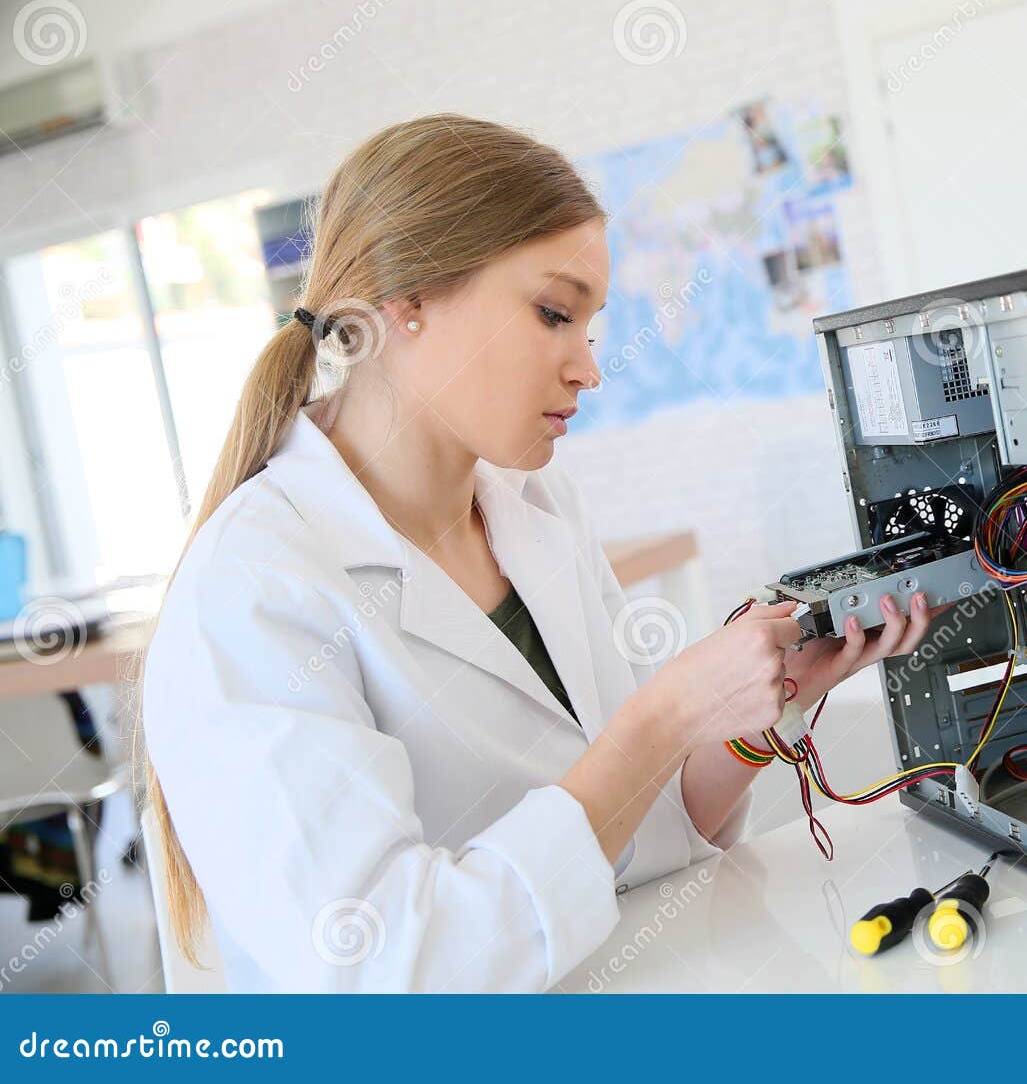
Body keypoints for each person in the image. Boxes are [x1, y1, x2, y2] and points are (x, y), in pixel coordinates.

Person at [137, 113, 932, 991]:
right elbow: (389, 972)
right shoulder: (248, 592)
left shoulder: (537, 505)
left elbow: (630, 840)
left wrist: (743, 722)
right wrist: (663, 717)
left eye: (590, 325)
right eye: (555, 313)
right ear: (406, 304)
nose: (589, 368)